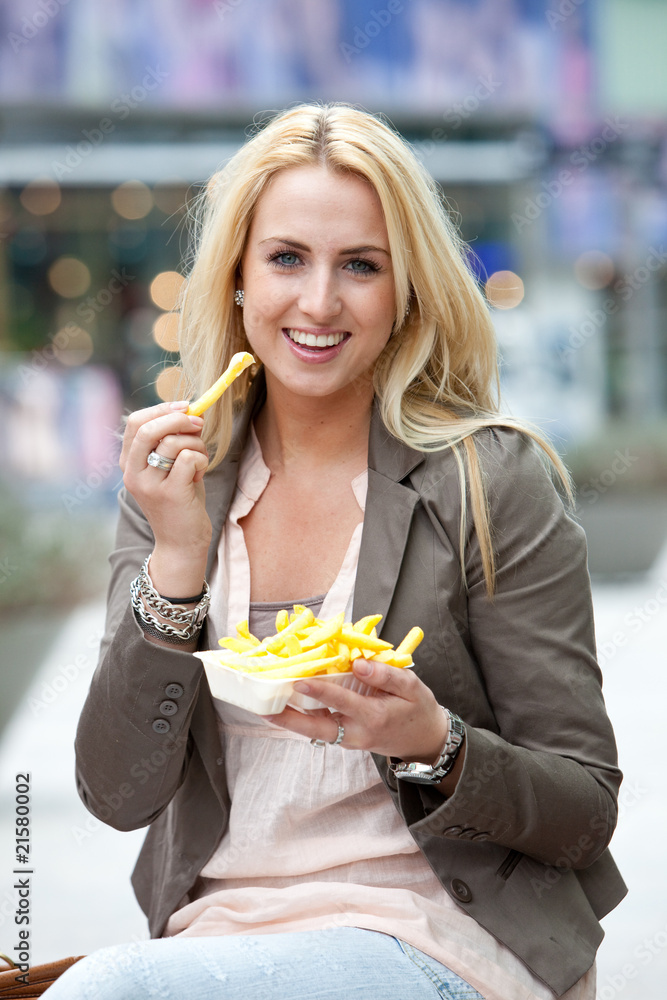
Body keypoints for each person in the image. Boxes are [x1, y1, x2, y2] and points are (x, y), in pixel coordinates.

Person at [50, 103, 626, 1000]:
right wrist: (175, 562)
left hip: (439, 939)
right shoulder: (180, 486)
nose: (318, 302)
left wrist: (433, 743)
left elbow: (583, 810)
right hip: (219, 942)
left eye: (360, 265)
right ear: (237, 275)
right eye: (286, 258)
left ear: (405, 292)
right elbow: (116, 792)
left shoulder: (487, 479)